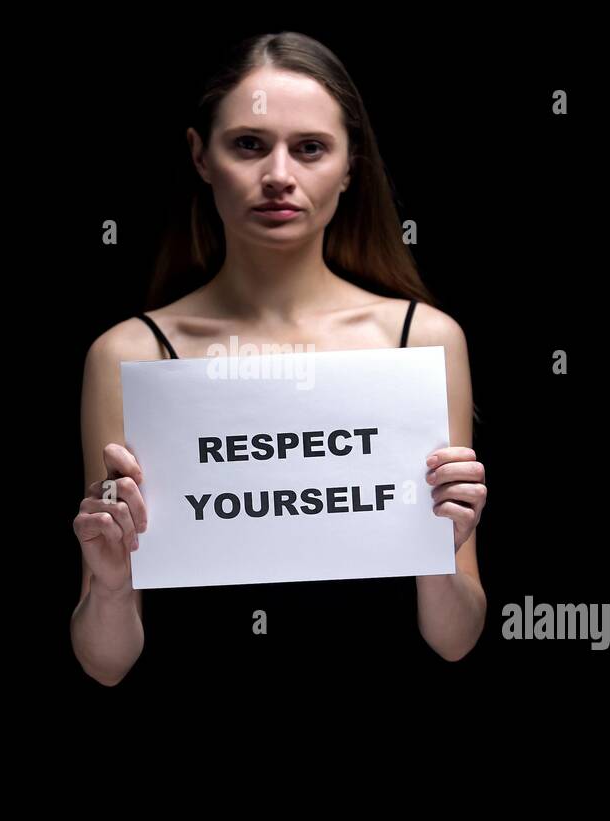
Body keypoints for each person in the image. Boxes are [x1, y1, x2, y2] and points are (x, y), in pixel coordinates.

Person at [71, 32, 487, 688]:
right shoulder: (131, 353)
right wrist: (111, 579)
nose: (279, 177)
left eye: (311, 148)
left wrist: (444, 548)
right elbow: (106, 661)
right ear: (200, 156)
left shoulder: (424, 338)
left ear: (352, 165)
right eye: (248, 144)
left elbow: (455, 639)